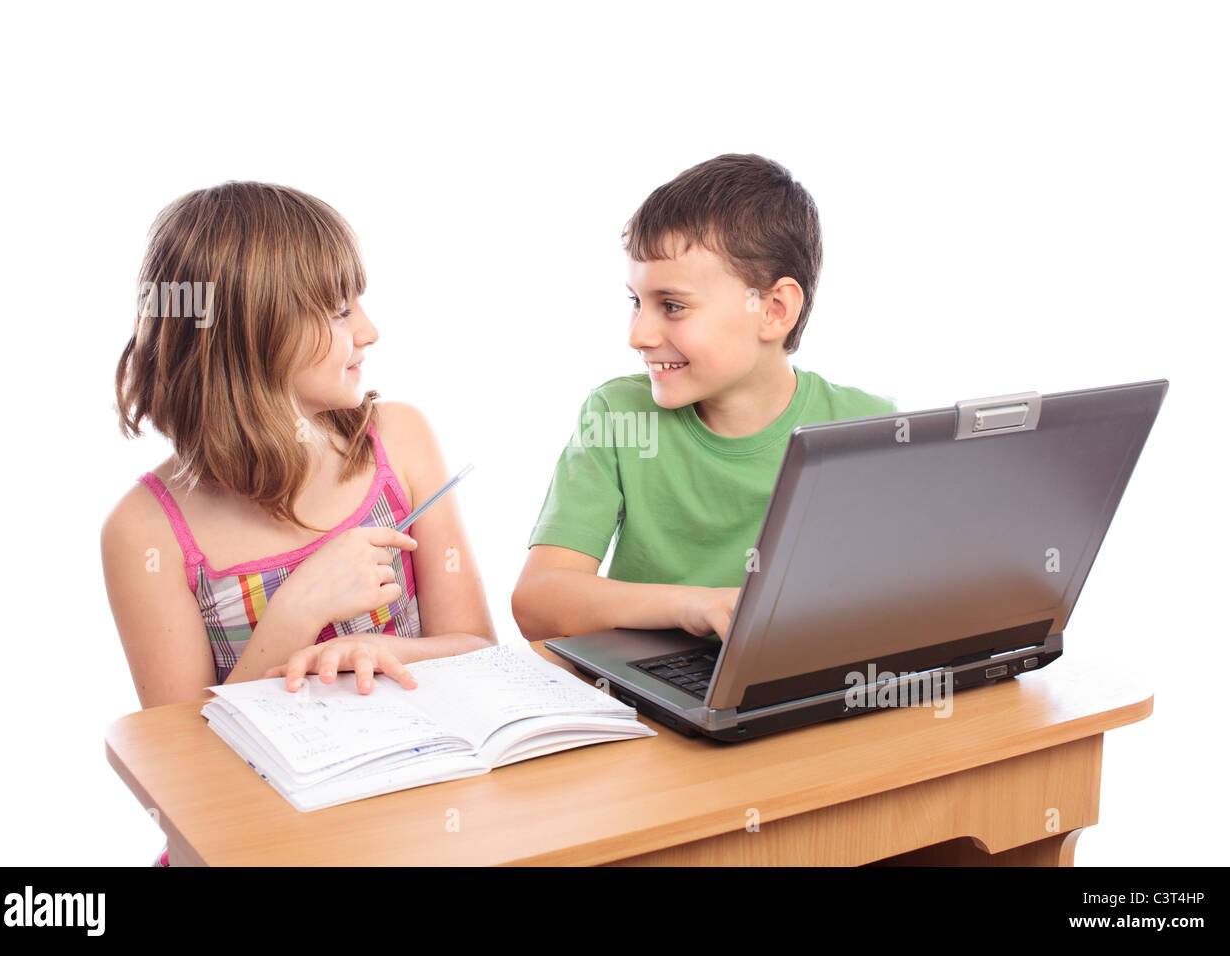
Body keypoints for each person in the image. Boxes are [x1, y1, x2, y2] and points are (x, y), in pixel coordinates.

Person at [101, 182, 496, 863]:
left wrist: (385, 654)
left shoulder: (399, 440)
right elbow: (187, 775)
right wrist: (298, 610)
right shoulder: (145, 531)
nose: (369, 331)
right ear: (251, 335)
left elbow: (481, 653)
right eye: (340, 311)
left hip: (410, 829)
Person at [512, 154, 896, 642]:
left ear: (774, 309)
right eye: (636, 301)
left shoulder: (867, 426)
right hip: (654, 693)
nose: (638, 335)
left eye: (672, 306)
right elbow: (539, 602)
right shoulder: (618, 416)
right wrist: (693, 604)